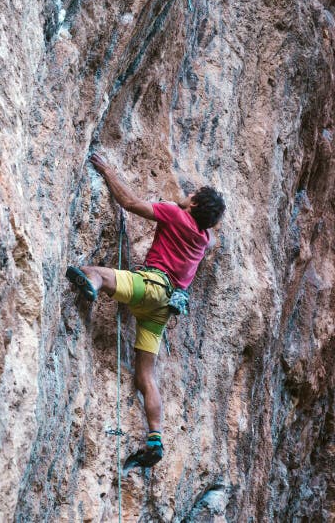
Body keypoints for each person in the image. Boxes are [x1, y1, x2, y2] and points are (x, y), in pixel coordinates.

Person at [66, 152, 225, 469]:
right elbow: (211, 241)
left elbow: (131, 203)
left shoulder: (176, 215)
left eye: (191, 195)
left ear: (192, 206)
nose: (186, 194)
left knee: (92, 272)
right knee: (145, 375)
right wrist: (207, 217)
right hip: (164, 309)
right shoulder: (204, 239)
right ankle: (155, 438)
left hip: (150, 286)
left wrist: (108, 171)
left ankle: (92, 290)